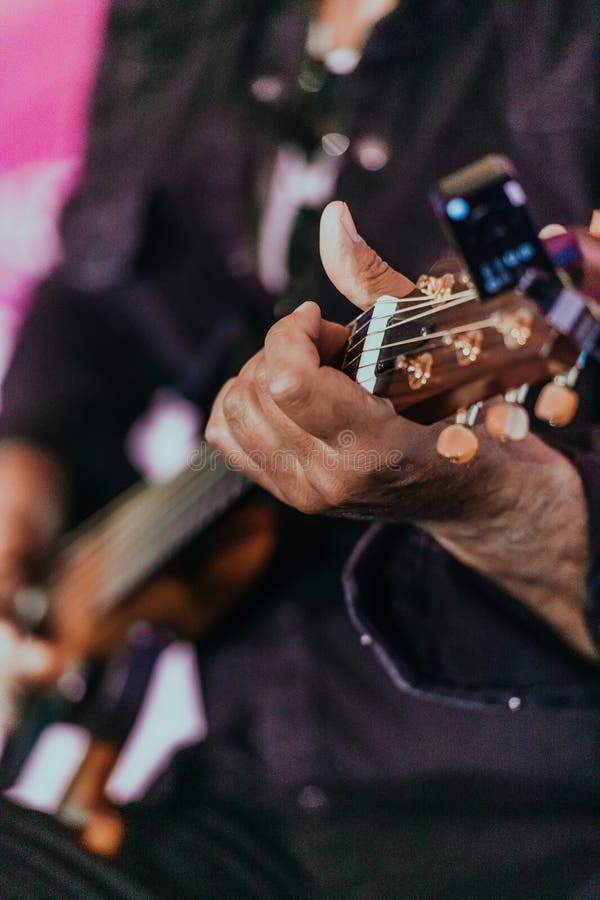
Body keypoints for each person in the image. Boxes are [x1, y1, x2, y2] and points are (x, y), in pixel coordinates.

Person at [0, 1, 599, 897]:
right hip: (243, 801)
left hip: (537, 826)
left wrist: (499, 511)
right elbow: (98, 298)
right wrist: (27, 467)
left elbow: (536, 310)